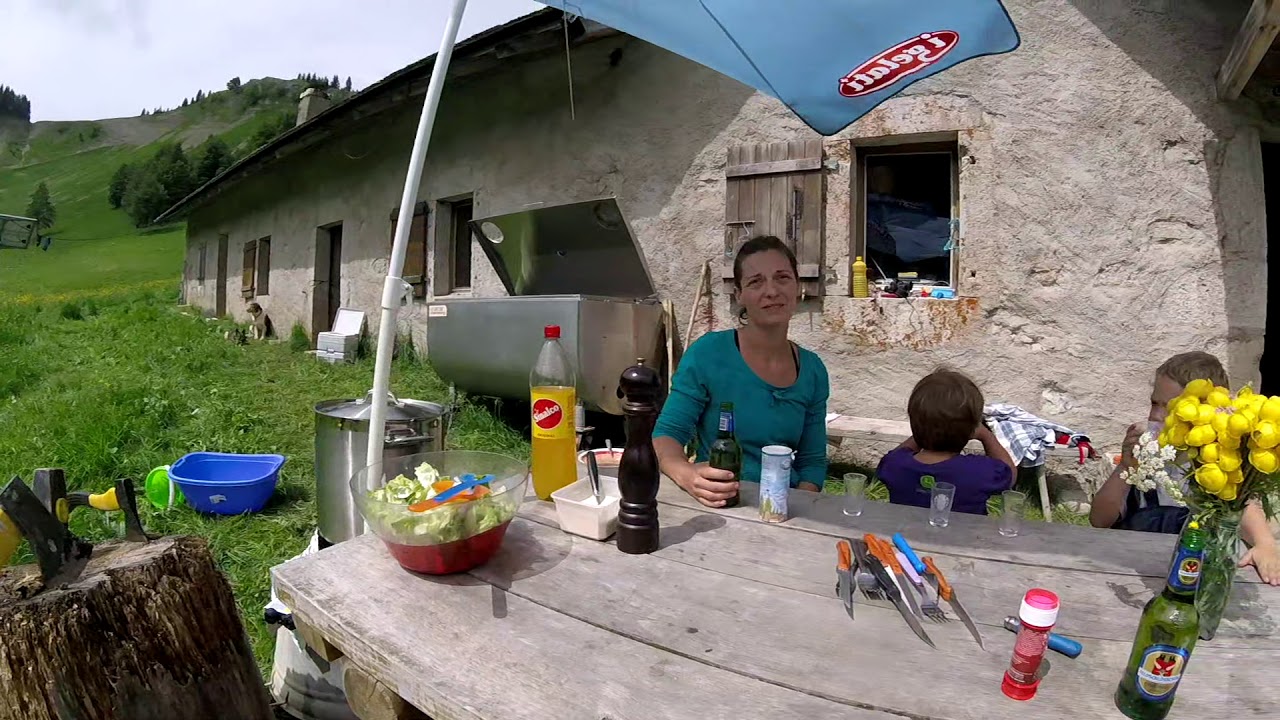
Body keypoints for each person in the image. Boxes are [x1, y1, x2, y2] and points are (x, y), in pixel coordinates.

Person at [653, 235, 829, 507]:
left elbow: (812, 461)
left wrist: (794, 506)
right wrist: (686, 474)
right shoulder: (708, 354)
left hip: (783, 505)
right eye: (756, 281)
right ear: (739, 295)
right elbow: (667, 435)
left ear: (797, 286)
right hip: (720, 500)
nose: (771, 291)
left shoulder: (813, 370)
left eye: (782, 277)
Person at [1089, 351, 1280, 584]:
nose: (1157, 415)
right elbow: (1099, 520)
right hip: (1132, 571)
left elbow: (1240, 509)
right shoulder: (1146, 453)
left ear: (1204, 412)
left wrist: (1265, 544)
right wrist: (1126, 469)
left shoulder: (1213, 459)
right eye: (1154, 403)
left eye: (1170, 408)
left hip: (1195, 575)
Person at [877, 369, 1017, 515]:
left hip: (903, 537)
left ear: (914, 424)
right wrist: (987, 436)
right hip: (964, 538)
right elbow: (1011, 476)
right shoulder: (980, 471)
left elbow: (895, 456)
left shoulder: (895, 465)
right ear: (972, 429)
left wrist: (922, 432)